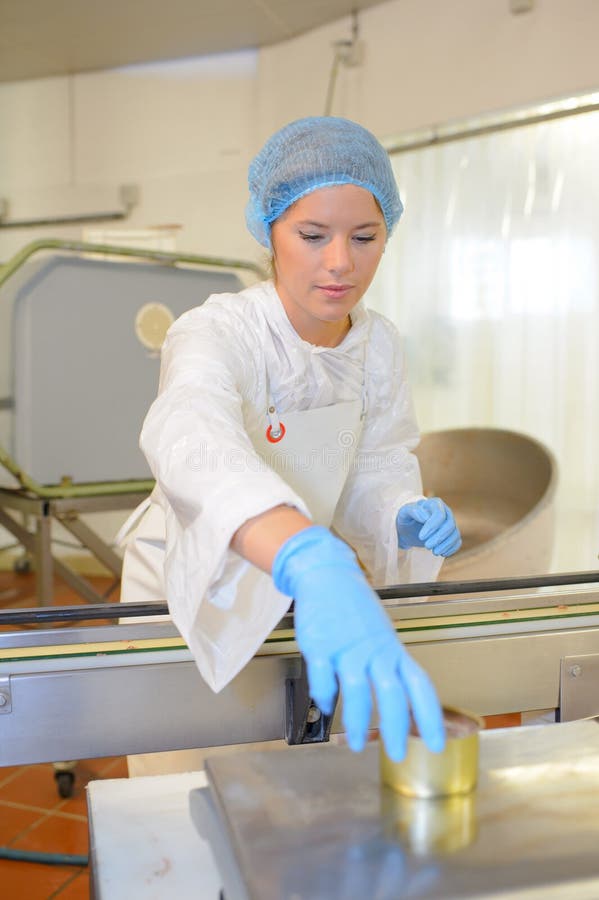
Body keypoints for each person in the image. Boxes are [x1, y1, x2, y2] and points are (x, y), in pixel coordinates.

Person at [120, 116, 461, 774]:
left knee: (279, 781)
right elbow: (190, 434)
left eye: (364, 237)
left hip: (304, 587)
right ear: (268, 231)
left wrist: (396, 513)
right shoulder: (217, 331)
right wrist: (307, 552)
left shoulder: (378, 346)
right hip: (194, 583)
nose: (340, 262)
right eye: (312, 235)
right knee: (180, 785)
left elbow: (374, 466)